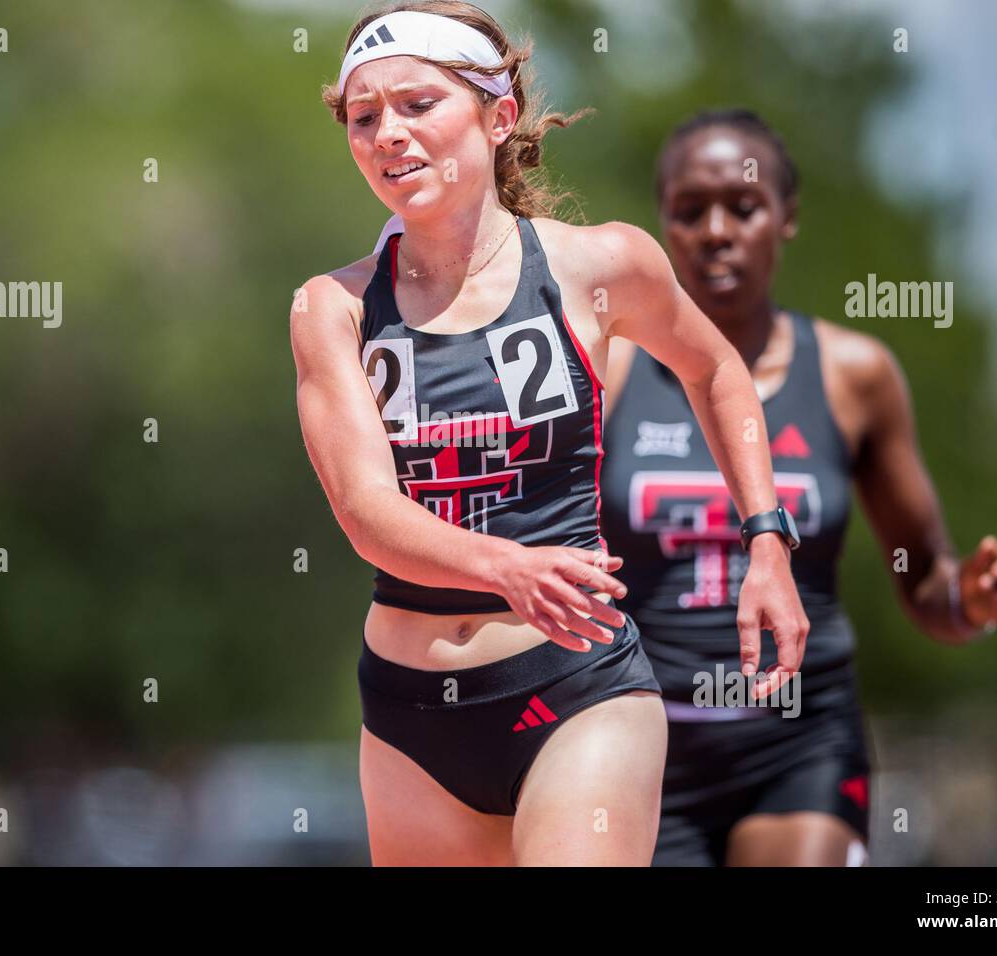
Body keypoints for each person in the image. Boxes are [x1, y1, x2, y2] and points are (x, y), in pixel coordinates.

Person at [292, 3, 808, 866]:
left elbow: (716, 370)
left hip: (576, 689)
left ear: (498, 118)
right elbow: (363, 508)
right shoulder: (332, 307)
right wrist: (505, 566)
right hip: (409, 718)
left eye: (418, 105)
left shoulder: (600, 265)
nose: (388, 133)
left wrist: (767, 541)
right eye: (364, 115)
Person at [600, 108, 997, 866]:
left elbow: (926, 580)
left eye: (742, 207)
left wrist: (971, 597)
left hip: (798, 740)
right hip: (645, 742)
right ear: (661, 224)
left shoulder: (852, 376)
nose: (715, 231)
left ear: (786, 217)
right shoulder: (608, 369)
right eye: (688, 210)